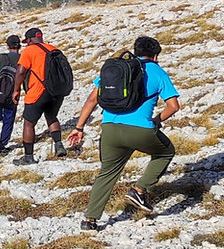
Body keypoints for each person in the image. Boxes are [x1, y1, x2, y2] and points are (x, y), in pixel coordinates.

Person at [67, 36, 179, 231]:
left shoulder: (117, 69)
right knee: (166, 152)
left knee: (107, 173)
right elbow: (173, 106)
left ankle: (89, 220)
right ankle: (139, 189)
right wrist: (156, 121)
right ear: (156, 55)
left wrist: (79, 128)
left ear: (135, 51)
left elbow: (92, 100)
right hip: (141, 130)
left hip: (110, 129)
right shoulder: (157, 71)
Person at [11, 27, 68, 164]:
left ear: (30, 39)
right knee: (51, 116)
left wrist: (16, 90)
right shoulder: (53, 48)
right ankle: (59, 145)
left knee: (29, 123)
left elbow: (20, 71)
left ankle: (28, 157)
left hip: (38, 91)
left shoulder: (29, 51)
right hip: (56, 92)